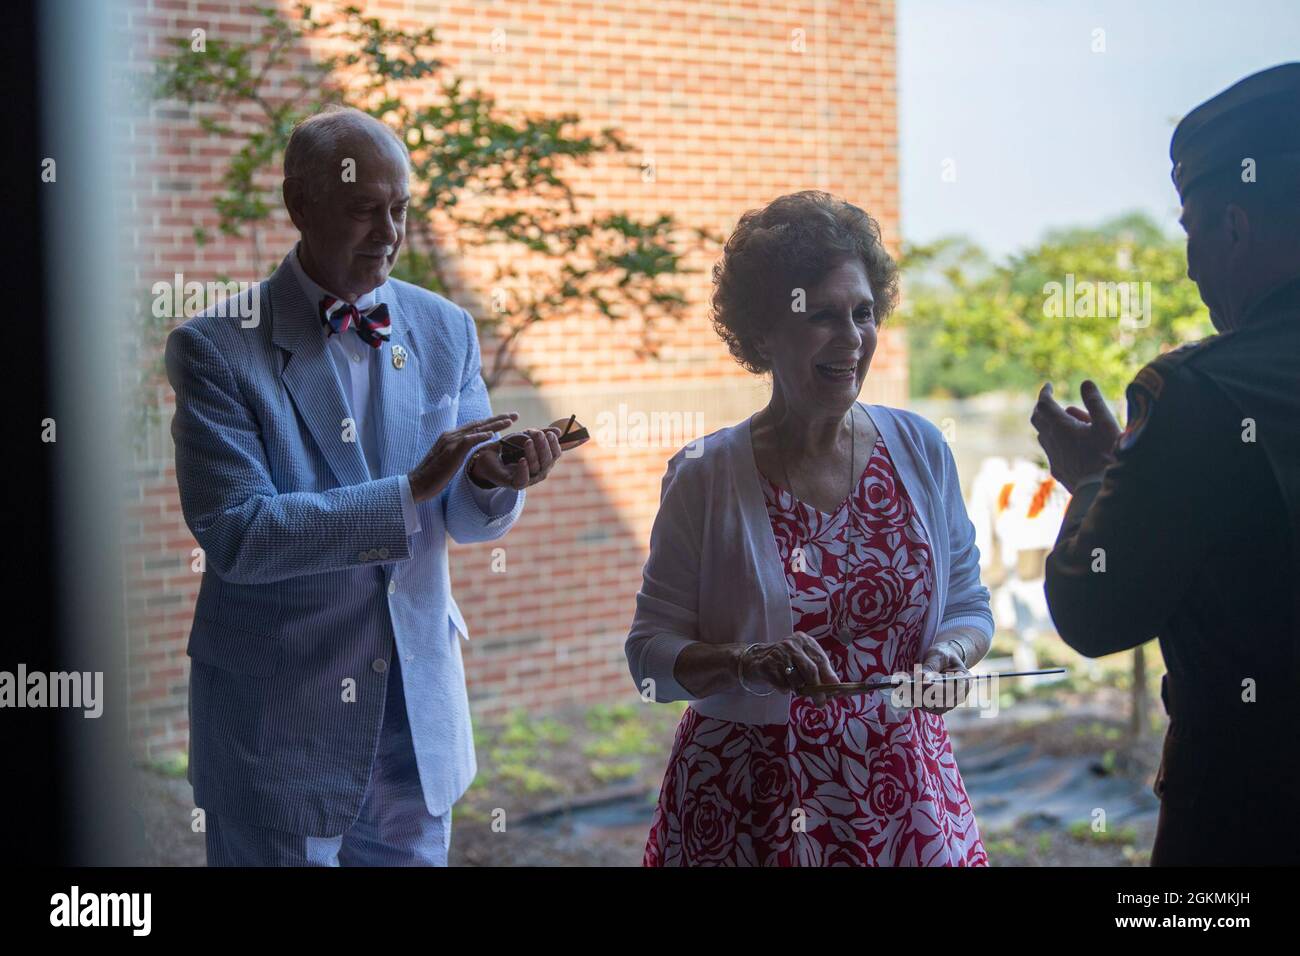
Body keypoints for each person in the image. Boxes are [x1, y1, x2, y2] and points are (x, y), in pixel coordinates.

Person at [166, 105, 566, 866]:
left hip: (417, 716)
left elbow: (470, 520)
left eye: (401, 209)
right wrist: (411, 488)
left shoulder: (445, 327)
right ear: (299, 206)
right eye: (363, 210)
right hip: (279, 727)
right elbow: (240, 535)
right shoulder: (214, 349)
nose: (388, 232)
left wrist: (490, 480)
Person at [626, 191, 994, 866]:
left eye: (863, 313)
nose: (852, 339)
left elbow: (969, 607)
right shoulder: (706, 474)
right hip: (749, 804)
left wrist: (951, 657)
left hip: (905, 796)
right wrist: (748, 660)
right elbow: (649, 660)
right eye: (822, 316)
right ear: (763, 333)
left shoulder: (920, 448)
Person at [1032, 63, 1300, 866]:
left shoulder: (1202, 391)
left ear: (1236, 225)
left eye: (1190, 230)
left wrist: (1090, 481)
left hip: (1249, 813)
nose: (1188, 264)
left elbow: (1094, 612)